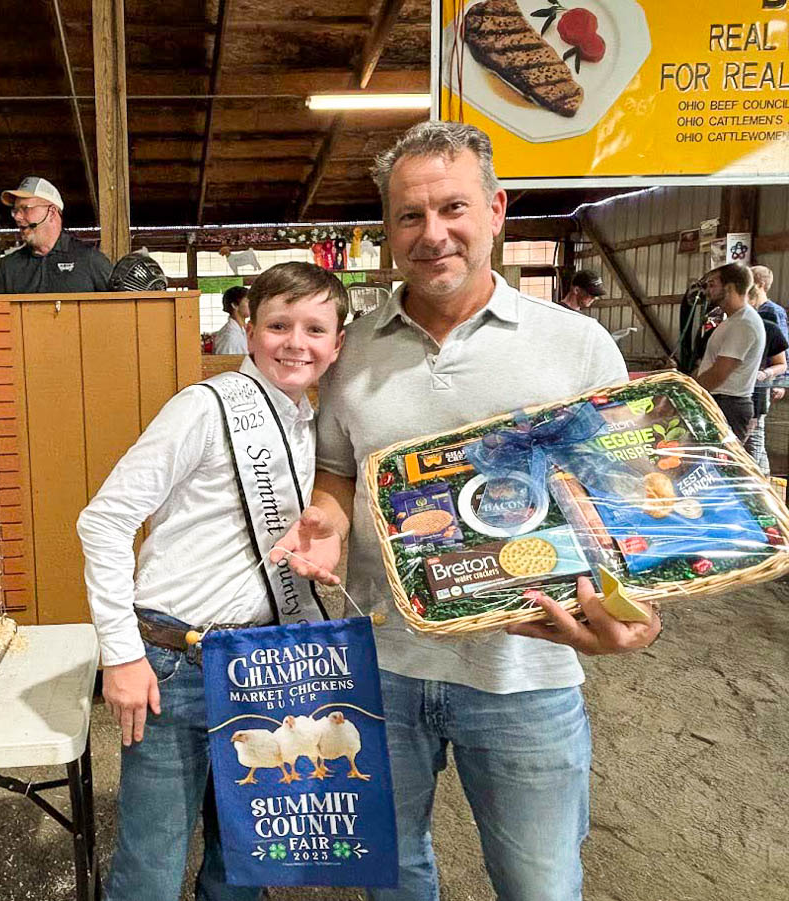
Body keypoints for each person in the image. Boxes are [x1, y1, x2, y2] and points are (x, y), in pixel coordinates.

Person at [271, 121, 662, 901]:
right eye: (409, 216)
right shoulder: (353, 352)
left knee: (539, 882)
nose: (433, 233)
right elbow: (340, 469)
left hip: (525, 672)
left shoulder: (576, 346)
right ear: (387, 231)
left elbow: (629, 500)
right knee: (394, 871)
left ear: (495, 210)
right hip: (383, 664)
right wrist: (329, 515)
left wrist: (641, 607)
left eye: (453, 207)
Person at [77, 262, 347, 901]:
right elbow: (104, 521)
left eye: (315, 329)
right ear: (248, 330)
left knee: (246, 853)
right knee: (152, 855)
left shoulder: (309, 421)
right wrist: (121, 654)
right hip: (177, 659)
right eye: (279, 324)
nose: (295, 342)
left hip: (266, 661)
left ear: (337, 345)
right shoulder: (202, 408)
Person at [0, 176, 112, 294]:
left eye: (25, 208)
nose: (17, 217)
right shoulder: (6, 269)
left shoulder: (91, 261)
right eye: (16, 211)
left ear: (52, 212)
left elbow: (122, 307)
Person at [694, 263, 765, 444]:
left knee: (721, 464)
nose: (708, 291)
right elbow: (709, 365)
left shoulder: (743, 323)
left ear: (730, 287)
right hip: (719, 401)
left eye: (712, 285)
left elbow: (719, 373)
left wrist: (689, 393)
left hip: (728, 405)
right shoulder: (732, 320)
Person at [746, 284, 787, 473]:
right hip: (740, 393)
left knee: (753, 439)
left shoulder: (770, 324)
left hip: (757, 392)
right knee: (753, 441)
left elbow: (781, 361)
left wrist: (768, 375)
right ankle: (761, 480)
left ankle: (759, 485)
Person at [751, 265, 788, 341]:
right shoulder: (756, 309)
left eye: (749, 283)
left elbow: (781, 347)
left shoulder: (771, 311)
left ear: (760, 285)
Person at [210, 285, 250, 354]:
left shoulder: (241, 330)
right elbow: (225, 363)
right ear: (234, 305)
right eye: (247, 301)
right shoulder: (229, 336)